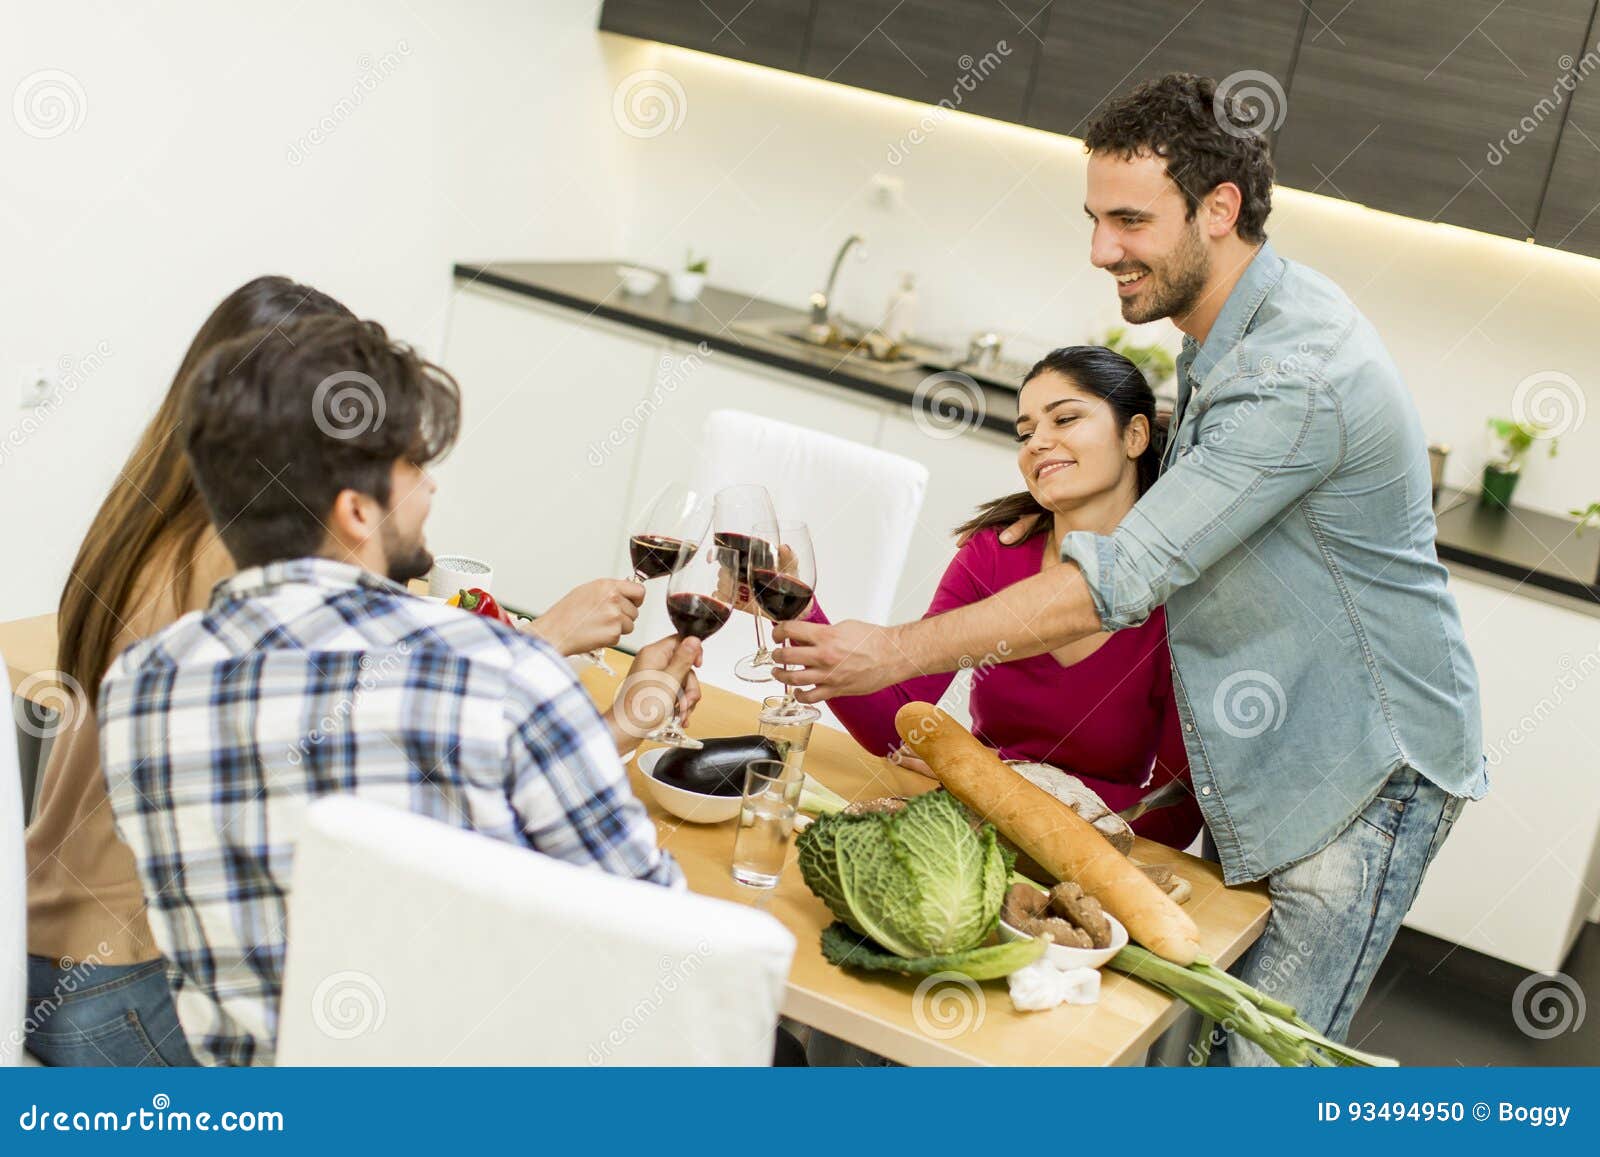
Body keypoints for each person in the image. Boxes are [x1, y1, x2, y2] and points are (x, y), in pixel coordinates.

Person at [773, 73, 1485, 1065]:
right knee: (1201, 1051)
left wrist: (893, 646)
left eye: (1128, 219)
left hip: (1359, 772)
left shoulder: (1290, 371)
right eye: (1094, 217)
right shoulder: (1227, 333)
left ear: (1218, 209)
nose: (1101, 248)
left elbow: (1125, 574)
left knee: (1260, 1069)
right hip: (1288, 749)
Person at [23, 278, 650, 1067]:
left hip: (42, 936)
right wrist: (540, 650)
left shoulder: (151, 518)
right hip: (119, 980)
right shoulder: (228, 560)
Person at [814, 346, 1201, 850]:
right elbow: (899, 730)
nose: (1038, 443)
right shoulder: (994, 553)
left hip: (1094, 860)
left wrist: (987, 776)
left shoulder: (1182, 597)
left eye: (1065, 418)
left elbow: (1172, 811)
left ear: (1134, 436)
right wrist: (804, 612)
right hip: (971, 832)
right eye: (1025, 433)